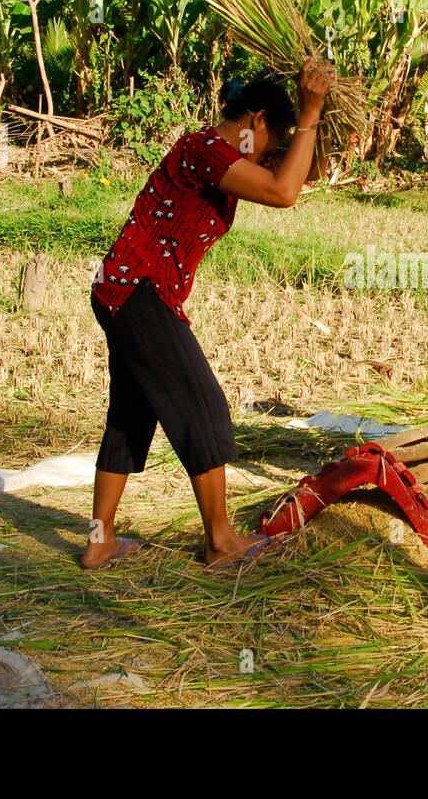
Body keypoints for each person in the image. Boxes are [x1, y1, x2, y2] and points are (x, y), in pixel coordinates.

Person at [82, 59, 337, 570]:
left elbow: (301, 172)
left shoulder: (224, 156)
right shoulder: (204, 151)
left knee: (130, 418)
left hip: (123, 290)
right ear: (256, 120)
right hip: (141, 292)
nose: (270, 148)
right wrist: (308, 110)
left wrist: (320, 119)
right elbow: (283, 193)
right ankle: (220, 540)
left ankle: (99, 541)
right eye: (274, 135)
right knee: (203, 405)